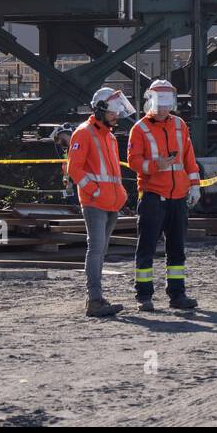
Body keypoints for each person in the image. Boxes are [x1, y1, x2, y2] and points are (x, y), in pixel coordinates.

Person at [127, 79, 202, 311]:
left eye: (167, 102)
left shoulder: (180, 125)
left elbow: (189, 157)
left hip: (178, 196)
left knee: (177, 249)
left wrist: (195, 185)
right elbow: (133, 161)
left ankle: (177, 295)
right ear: (150, 101)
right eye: (159, 103)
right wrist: (155, 165)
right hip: (152, 196)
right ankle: (144, 296)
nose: (163, 108)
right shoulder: (139, 129)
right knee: (147, 247)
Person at [67, 87, 135, 317]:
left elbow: (112, 173)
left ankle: (96, 299)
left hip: (111, 203)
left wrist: (121, 196)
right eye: (113, 111)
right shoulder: (83, 133)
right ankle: (94, 300)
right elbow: (74, 168)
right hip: (95, 203)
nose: (116, 115)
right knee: (96, 249)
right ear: (100, 109)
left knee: (100, 250)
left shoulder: (110, 137)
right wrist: (94, 191)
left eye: (118, 110)